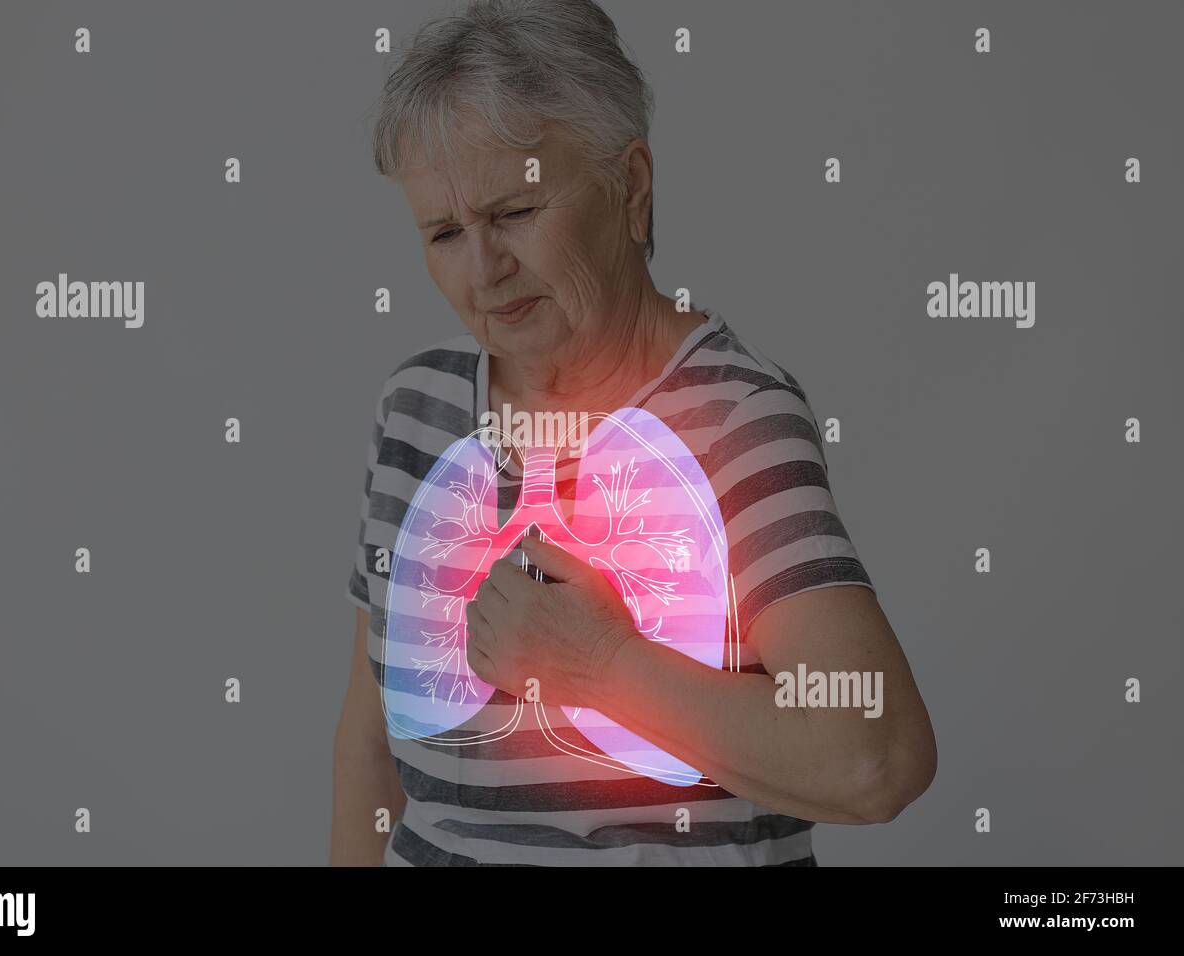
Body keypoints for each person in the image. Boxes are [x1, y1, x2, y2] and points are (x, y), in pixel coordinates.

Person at [332, 0, 936, 866]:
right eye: (444, 232)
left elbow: (877, 754)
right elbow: (368, 754)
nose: (482, 267)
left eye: (515, 211)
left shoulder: (732, 418)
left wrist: (601, 665)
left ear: (632, 186)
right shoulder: (416, 406)